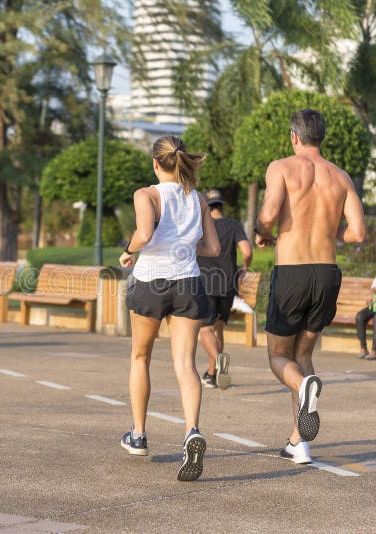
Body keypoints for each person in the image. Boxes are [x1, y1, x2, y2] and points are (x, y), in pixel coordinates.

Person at [256, 109, 366, 465]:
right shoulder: (341, 176)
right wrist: (330, 231)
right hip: (327, 273)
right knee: (304, 356)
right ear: (321, 136)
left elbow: (269, 214)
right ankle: (298, 443)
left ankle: (303, 388)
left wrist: (263, 234)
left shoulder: (282, 167)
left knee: (279, 357)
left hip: (292, 272)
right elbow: (358, 233)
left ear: (294, 136)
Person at [119, 135, 220, 482]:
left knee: (140, 357)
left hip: (151, 282)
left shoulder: (146, 194)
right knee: (185, 364)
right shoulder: (198, 199)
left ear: (155, 163)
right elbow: (212, 247)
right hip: (188, 283)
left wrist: (128, 248)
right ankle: (192, 430)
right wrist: (184, 244)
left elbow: (144, 234)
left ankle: (139, 435)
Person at [197, 188, 252, 390]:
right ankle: (212, 374)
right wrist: (245, 267)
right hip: (228, 284)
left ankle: (219, 360)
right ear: (221, 205)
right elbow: (246, 250)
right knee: (218, 330)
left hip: (204, 283)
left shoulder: (200, 226)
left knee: (205, 330)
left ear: (206, 206)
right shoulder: (233, 225)